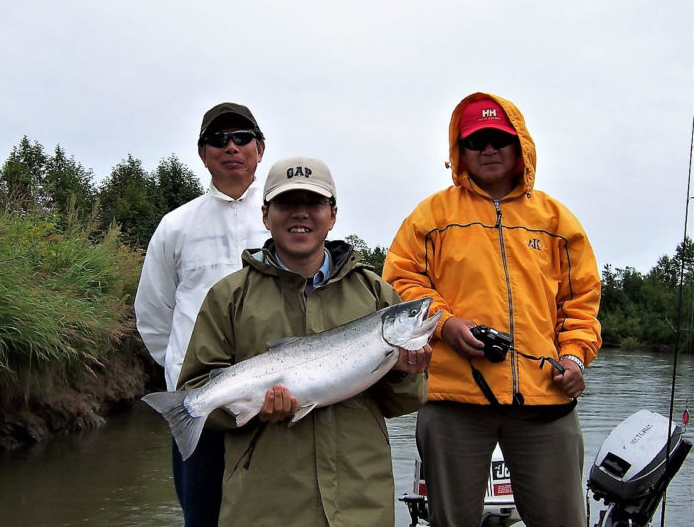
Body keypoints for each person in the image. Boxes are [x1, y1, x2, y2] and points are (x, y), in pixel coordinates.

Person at [383, 92, 602, 527]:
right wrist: (445, 325)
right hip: (452, 401)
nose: (488, 149)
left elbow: (581, 303)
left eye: (499, 139)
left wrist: (575, 358)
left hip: (546, 400)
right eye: (475, 141)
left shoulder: (558, 222)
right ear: (460, 150)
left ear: (519, 146)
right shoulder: (431, 216)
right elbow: (400, 281)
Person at [177, 156, 432, 526]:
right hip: (263, 508)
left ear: (332, 215)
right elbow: (195, 388)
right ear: (266, 215)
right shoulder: (228, 296)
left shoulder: (377, 293)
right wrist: (249, 406)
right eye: (286, 203)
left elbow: (403, 403)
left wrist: (406, 372)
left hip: (361, 503)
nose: (301, 213)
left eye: (313, 203)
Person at [134, 102, 270, 526]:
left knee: (275, 512)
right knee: (202, 515)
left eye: (242, 137)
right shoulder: (175, 226)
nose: (231, 147)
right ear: (202, 153)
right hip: (200, 407)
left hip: (273, 399)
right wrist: (184, 370)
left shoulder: (284, 218)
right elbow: (154, 313)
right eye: (218, 139)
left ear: (260, 148)